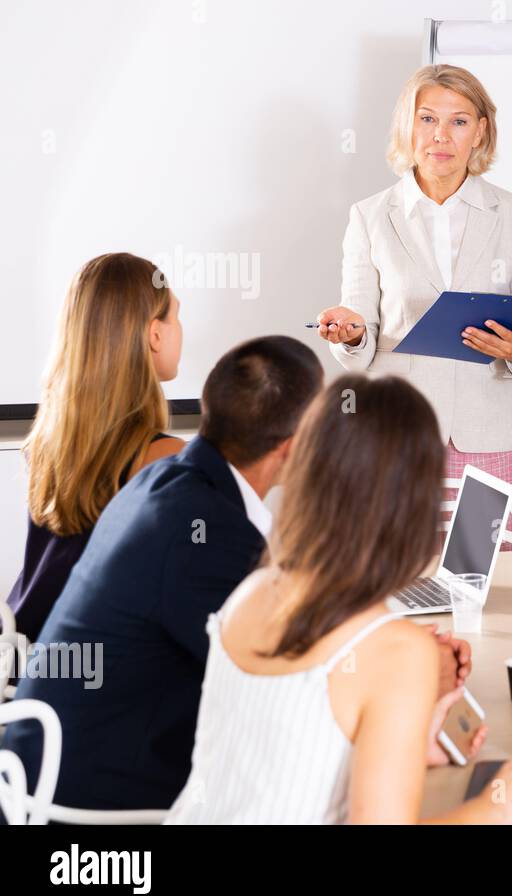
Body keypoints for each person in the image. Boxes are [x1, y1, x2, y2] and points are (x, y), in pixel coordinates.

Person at [166, 374, 512, 824]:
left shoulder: (251, 592)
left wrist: (401, 743)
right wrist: (498, 809)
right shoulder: (396, 649)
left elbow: (275, 756)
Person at [2, 337, 337, 811]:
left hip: (49, 762)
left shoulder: (168, 480)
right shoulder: (206, 529)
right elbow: (281, 682)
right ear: (294, 445)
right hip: (86, 798)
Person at [315, 63, 512, 527]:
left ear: (480, 132)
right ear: (408, 126)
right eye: (427, 119)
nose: (441, 135)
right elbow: (359, 334)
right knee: (397, 568)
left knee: (483, 568)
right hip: (398, 436)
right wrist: (351, 333)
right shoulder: (370, 217)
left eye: (458, 121)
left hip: (489, 436)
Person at [7, 253, 185, 639]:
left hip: (30, 655)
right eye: (176, 316)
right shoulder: (167, 458)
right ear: (154, 334)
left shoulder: (48, 444)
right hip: (100, 665)